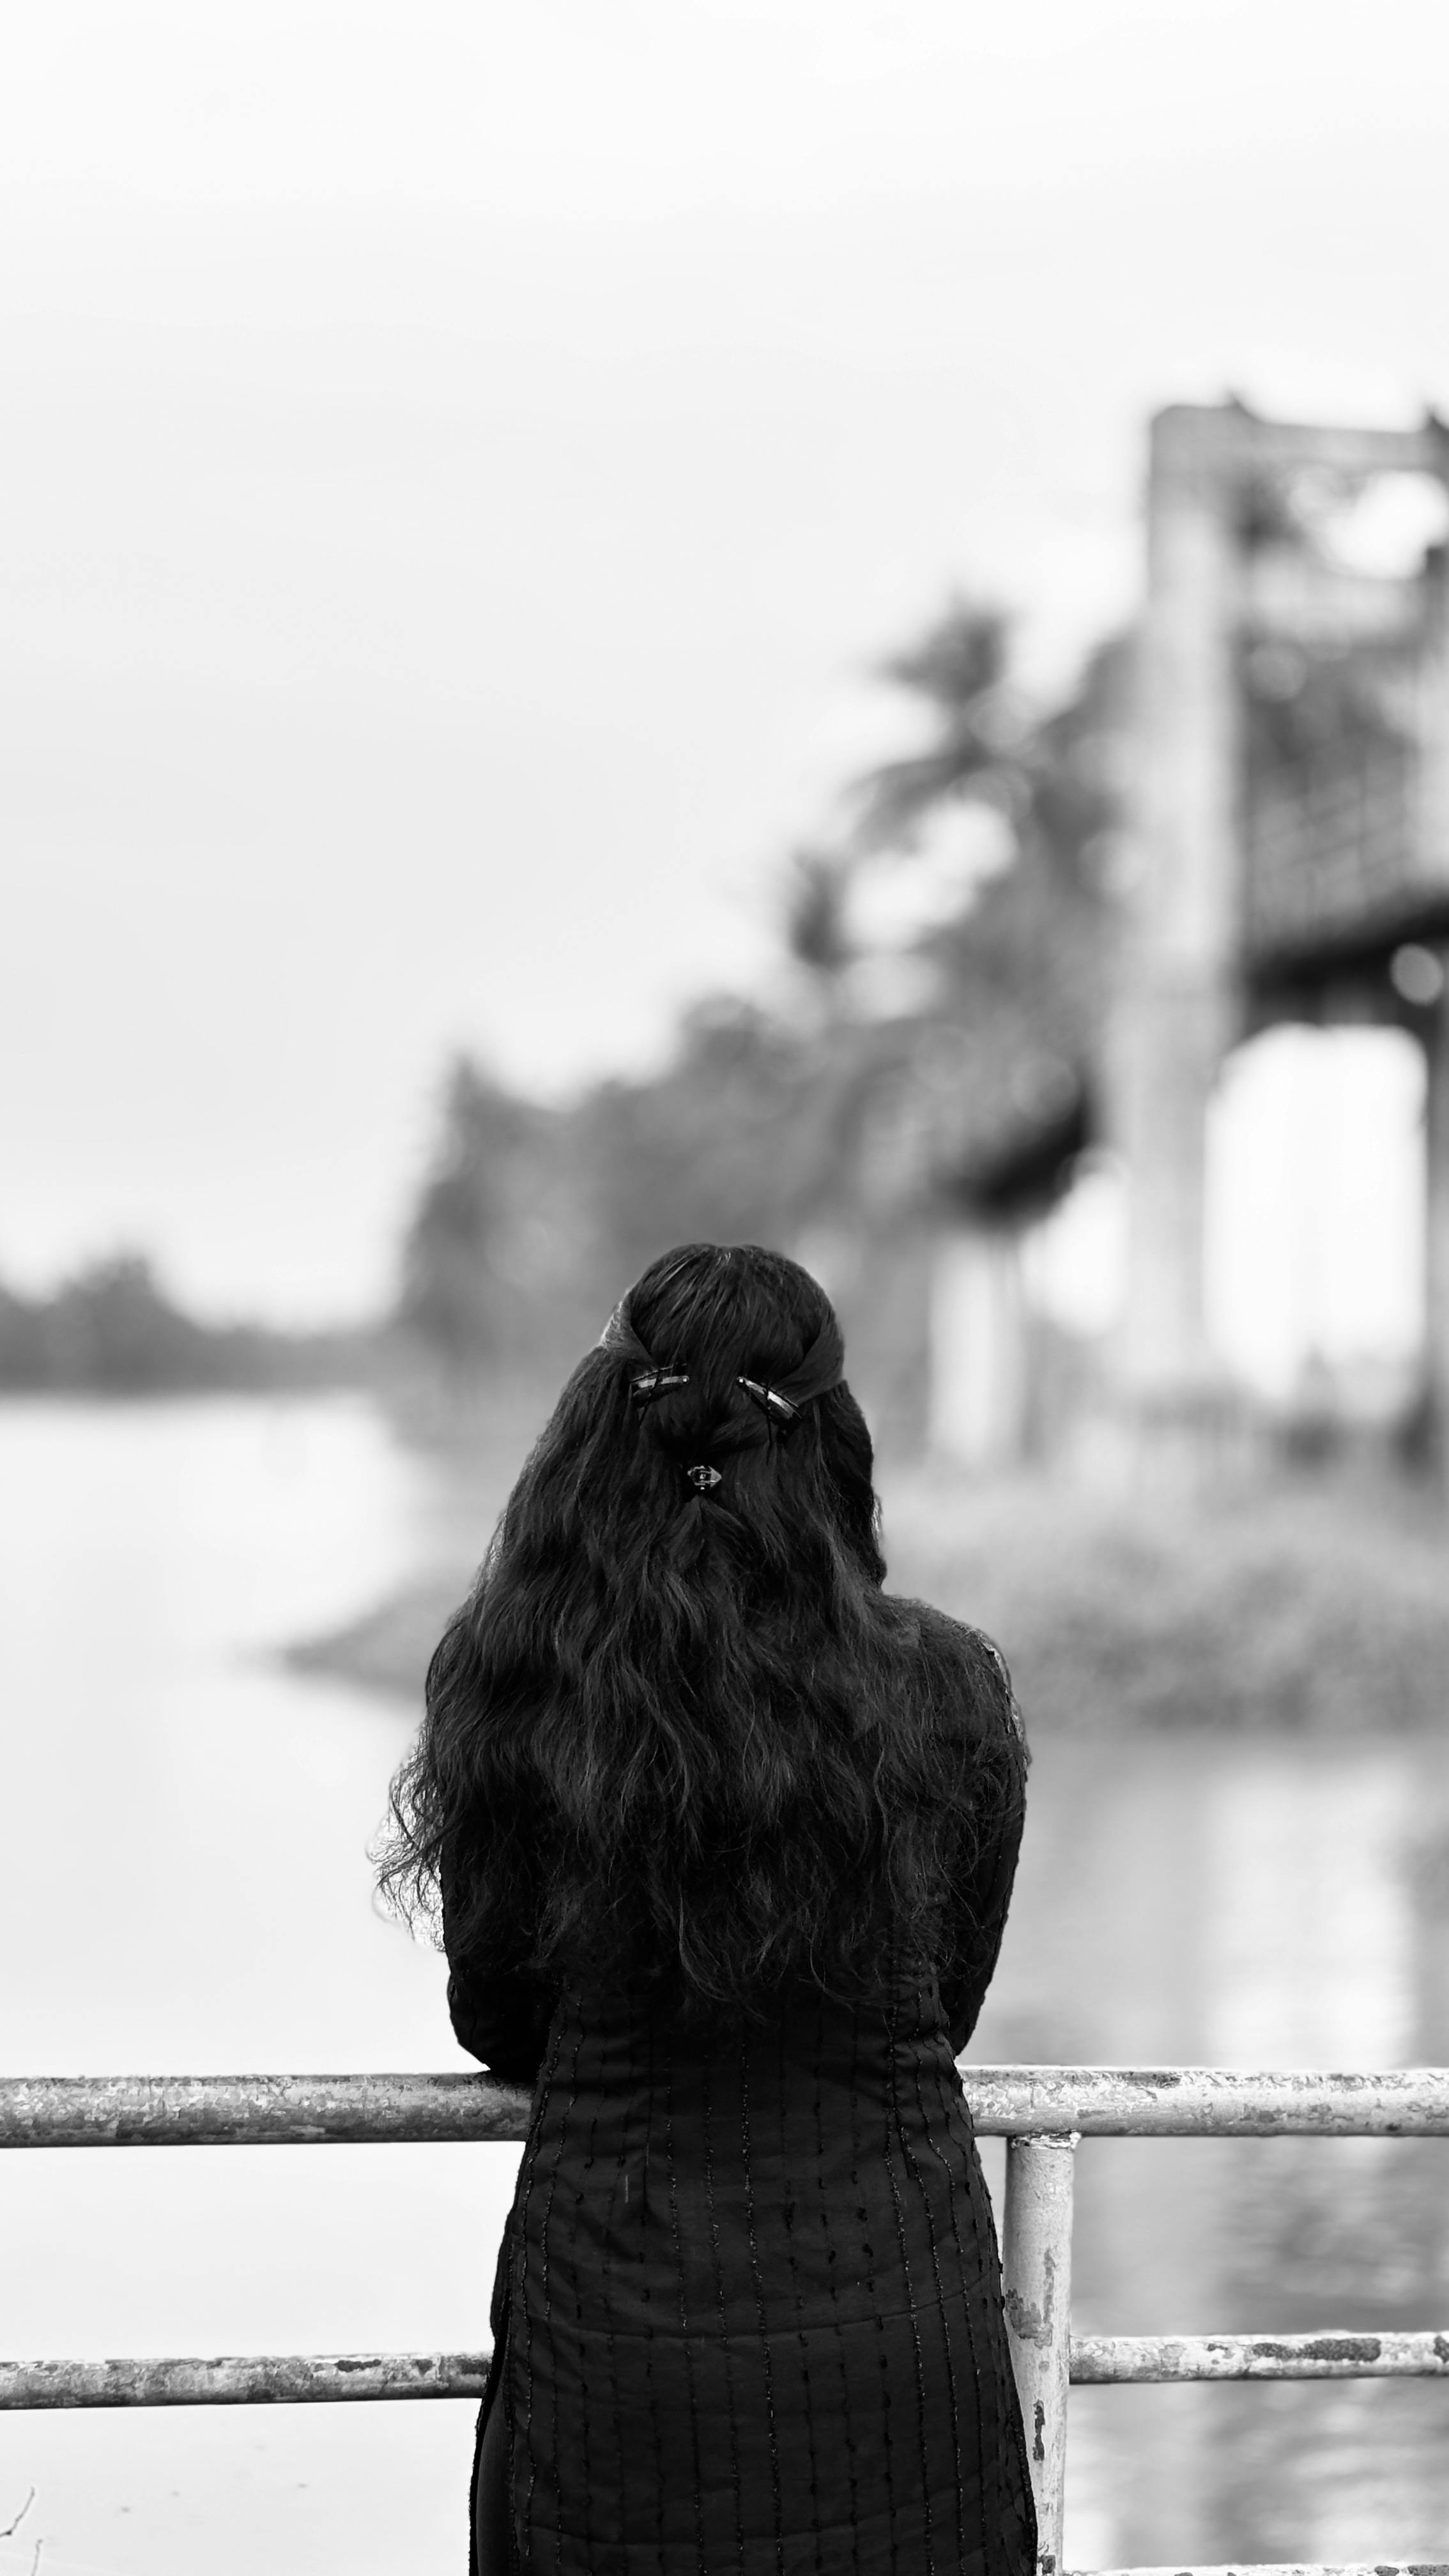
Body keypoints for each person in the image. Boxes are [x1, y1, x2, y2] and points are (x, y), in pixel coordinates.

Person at [379, 1241, 1036, 2576]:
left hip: (617, 2355)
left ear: (594, 1434)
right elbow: (946, 2009)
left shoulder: (515, 1679)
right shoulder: (949, 1687)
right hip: (903, 2341)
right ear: (835, 1441)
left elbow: (497, 2018)